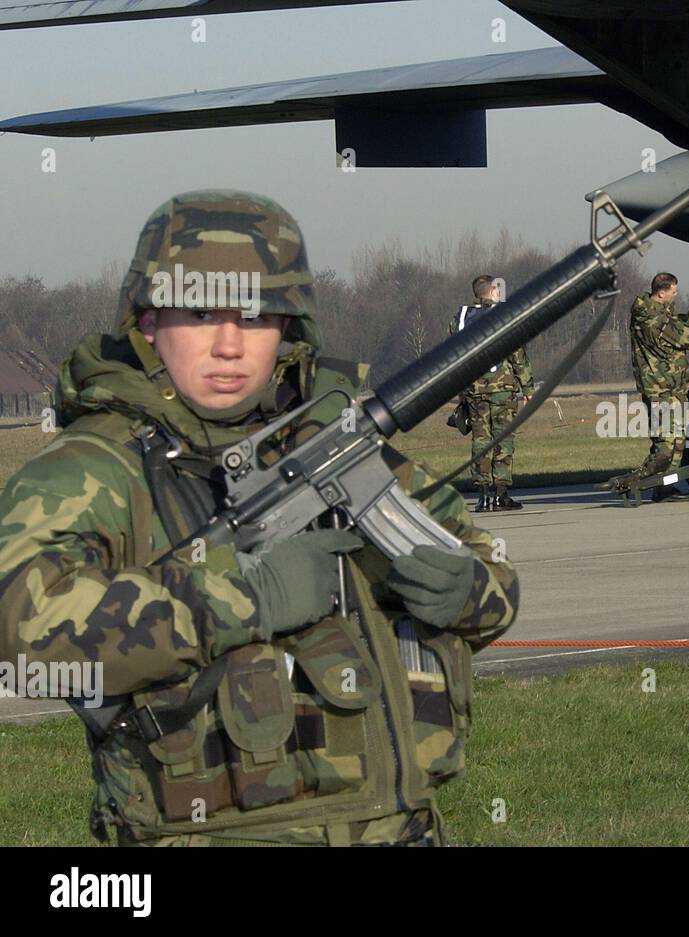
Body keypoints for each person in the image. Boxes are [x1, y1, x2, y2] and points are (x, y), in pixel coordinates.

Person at [0, 191, 518, 846]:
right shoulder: (97, 466)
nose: (227, 344)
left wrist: (469, 588)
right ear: (149, 322)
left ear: (288, 327)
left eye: (252, 315)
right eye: (198, 313)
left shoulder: (334, 444)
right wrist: (235, 596)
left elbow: (490, 572)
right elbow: (16, 626)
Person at [450, 274, 535, 511]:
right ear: (493, 292)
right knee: (503, 440)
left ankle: (483, 494)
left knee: (480, 441)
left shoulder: (461, 318)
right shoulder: (504, 316)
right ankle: (501, 494)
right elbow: (517, 354)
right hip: (502, 389)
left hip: (474, 390)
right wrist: (527, 387)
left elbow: (453, 356)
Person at [624, 272, 689, 502]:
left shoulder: (660, 313)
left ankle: (666, 486)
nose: (676, 294)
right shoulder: (653, 318)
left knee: (677, 441)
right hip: (660, 389)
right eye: (673, 290)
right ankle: (642, 481)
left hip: (671, 387)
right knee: (666, 441)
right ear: (661, 292)